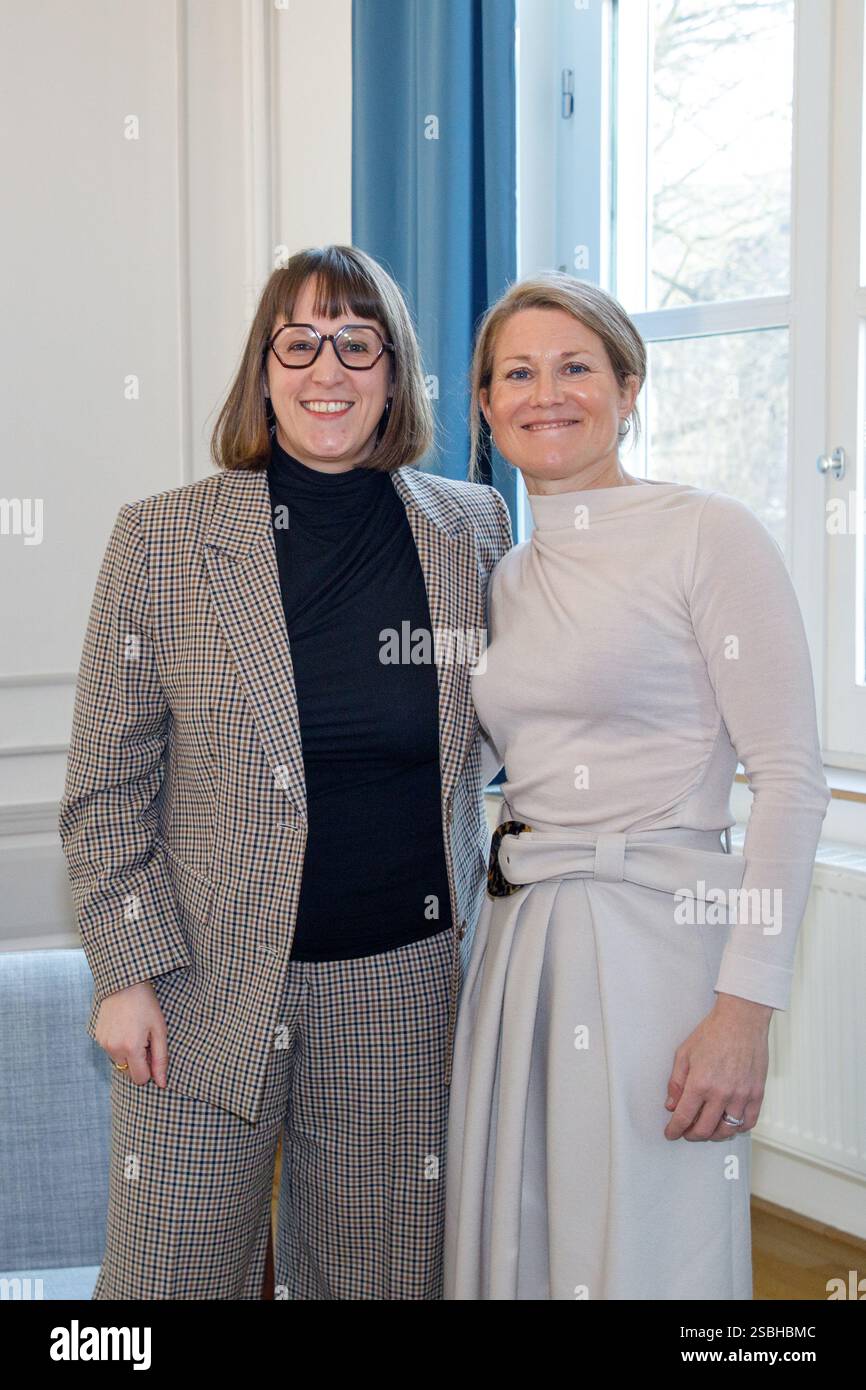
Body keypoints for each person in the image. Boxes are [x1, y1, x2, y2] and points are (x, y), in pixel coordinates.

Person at [59, 244, 512, 1300]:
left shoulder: (472, 530)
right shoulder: (161, 539)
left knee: (381, 1280)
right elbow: (104, 783)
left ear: (393, 371)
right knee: (164, 1281)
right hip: (199, 982)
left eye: (358, 342)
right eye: (298, 341)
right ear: (263, 370)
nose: (328, 368)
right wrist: (124, 974)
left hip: (402, 986)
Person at [443, 271, 831, 1300]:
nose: (546, 393)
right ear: (484, 407)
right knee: (523, 1241)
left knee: (650, 1247)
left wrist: (742, 1010)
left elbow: (791, 778)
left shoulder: (706, 533)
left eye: (575, 367)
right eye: (516, 373)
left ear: (626, 388)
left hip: (659, 945)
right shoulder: (506, 573)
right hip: (520, 944)